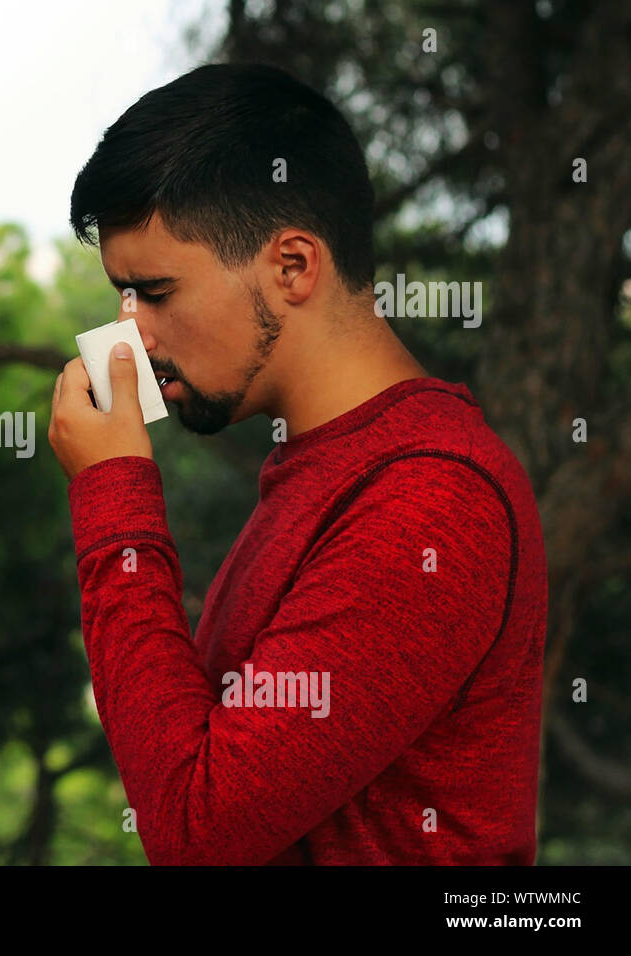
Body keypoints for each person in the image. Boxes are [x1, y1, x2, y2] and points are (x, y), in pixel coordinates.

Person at [47, 62, 548, 865]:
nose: (128, 332)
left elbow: (197, 831)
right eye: (120, 295)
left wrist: (115, 502)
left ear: (293, 267)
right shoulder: (325, 472)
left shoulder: (431, 502)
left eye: (156, 291)